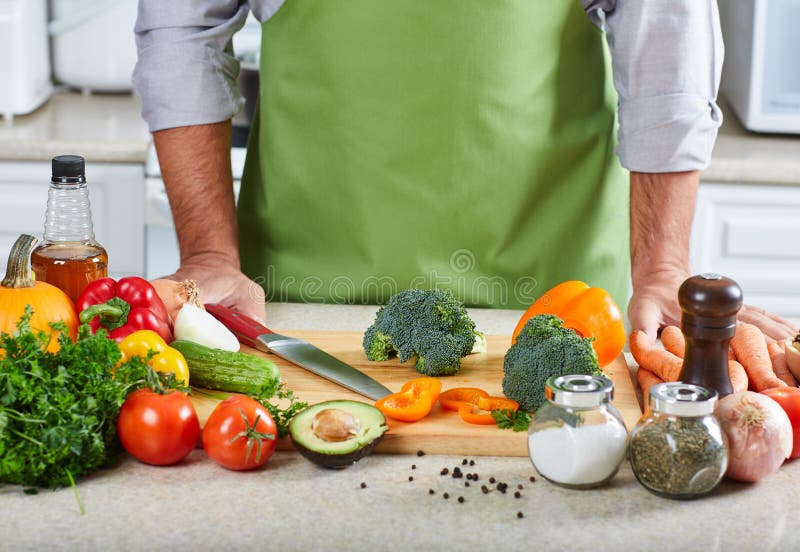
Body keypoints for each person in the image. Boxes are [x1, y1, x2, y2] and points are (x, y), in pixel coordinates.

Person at [133, 0, 795, 342]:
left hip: (557, 308)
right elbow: (182, 28)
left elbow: (667, 28)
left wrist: (661, 268)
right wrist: (210, 255)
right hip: (299, 307)